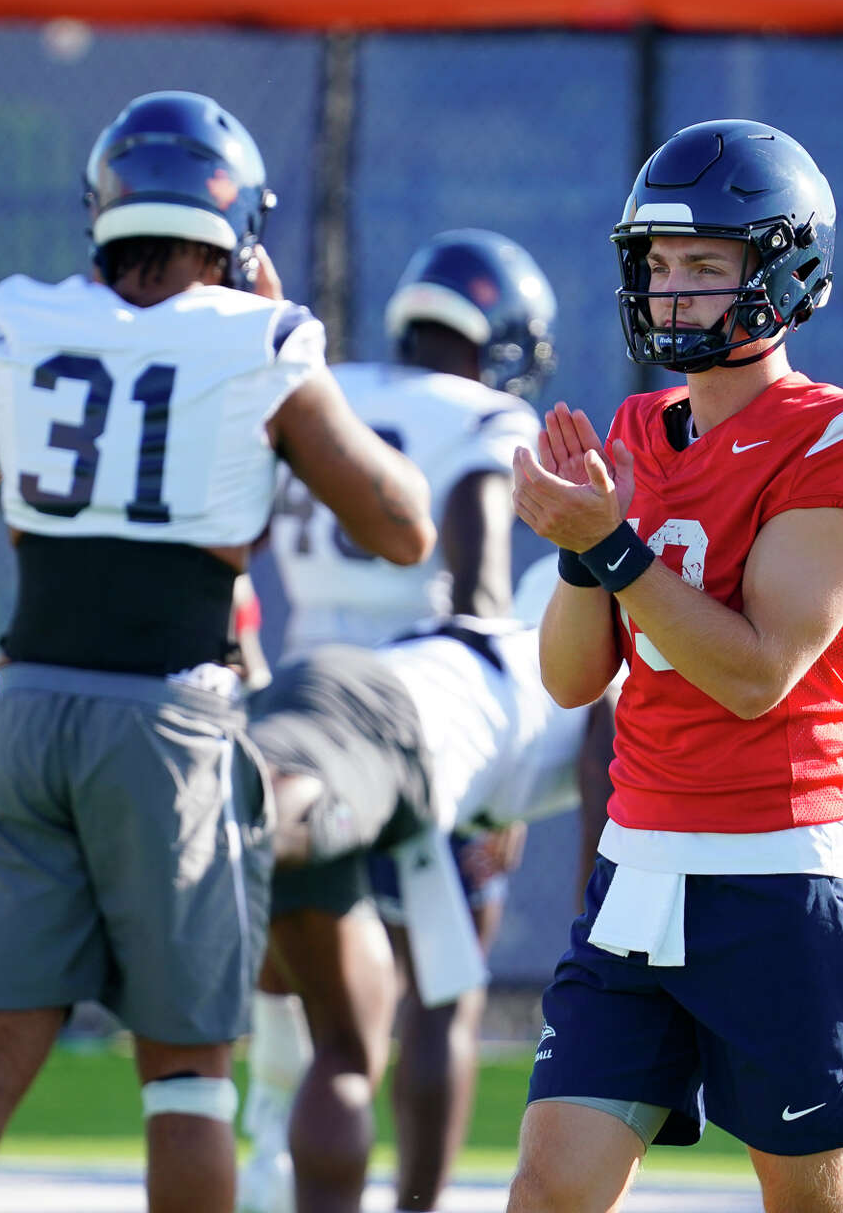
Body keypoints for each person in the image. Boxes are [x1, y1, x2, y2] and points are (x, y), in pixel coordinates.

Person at [0, 90, 434, 1213]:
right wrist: (292, 370)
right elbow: (401, 522)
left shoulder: (31, 315)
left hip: (27, 706)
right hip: (171, 723)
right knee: (187, 1068)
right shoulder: (260, 336)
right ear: (235, 227)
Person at [507, 120, 843, 1213]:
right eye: (658, 264)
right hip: (633, 871)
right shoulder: (640, 428)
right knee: (548, 1188)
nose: (672, 290)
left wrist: (611, 542)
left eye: (703, 265)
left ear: (785, 270)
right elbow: (568, 677)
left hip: (779, 880)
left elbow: (754, 673)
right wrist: (575, 546)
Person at [247, 228, 559, 1213]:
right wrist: (499, 749)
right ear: (505, 339)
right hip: (423, 727)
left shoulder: (328, 389)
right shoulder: (484, 414)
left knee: (324, 1012)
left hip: (300, 705)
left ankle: (271, 1181)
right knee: (440, 992)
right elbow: (476, 587)